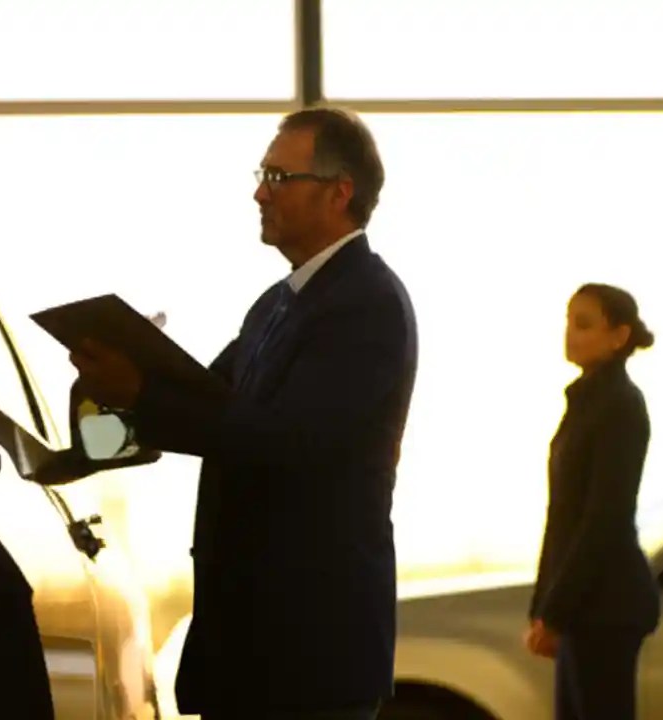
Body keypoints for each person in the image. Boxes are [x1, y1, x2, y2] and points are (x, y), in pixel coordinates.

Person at [70, 107, 418, 719]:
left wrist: (143, 392)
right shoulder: (276, 305)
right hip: (250, 650)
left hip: (308, 655)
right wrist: (126, 376)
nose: (260, 192)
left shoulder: (368, 304)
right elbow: (205, 406)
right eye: (263, 174)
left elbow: (287, 441)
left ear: (340, 193)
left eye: (280, 178)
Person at [525, 283, 661, 720]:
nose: (570, 333)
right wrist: (544, 605)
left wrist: (557, 610)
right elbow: (561, 514)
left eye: (583, 324)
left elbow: (605, 518)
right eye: (568, 321)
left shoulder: (620, 404)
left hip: (606, 605)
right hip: (584, 605)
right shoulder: (586, 400)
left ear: (619, 336)